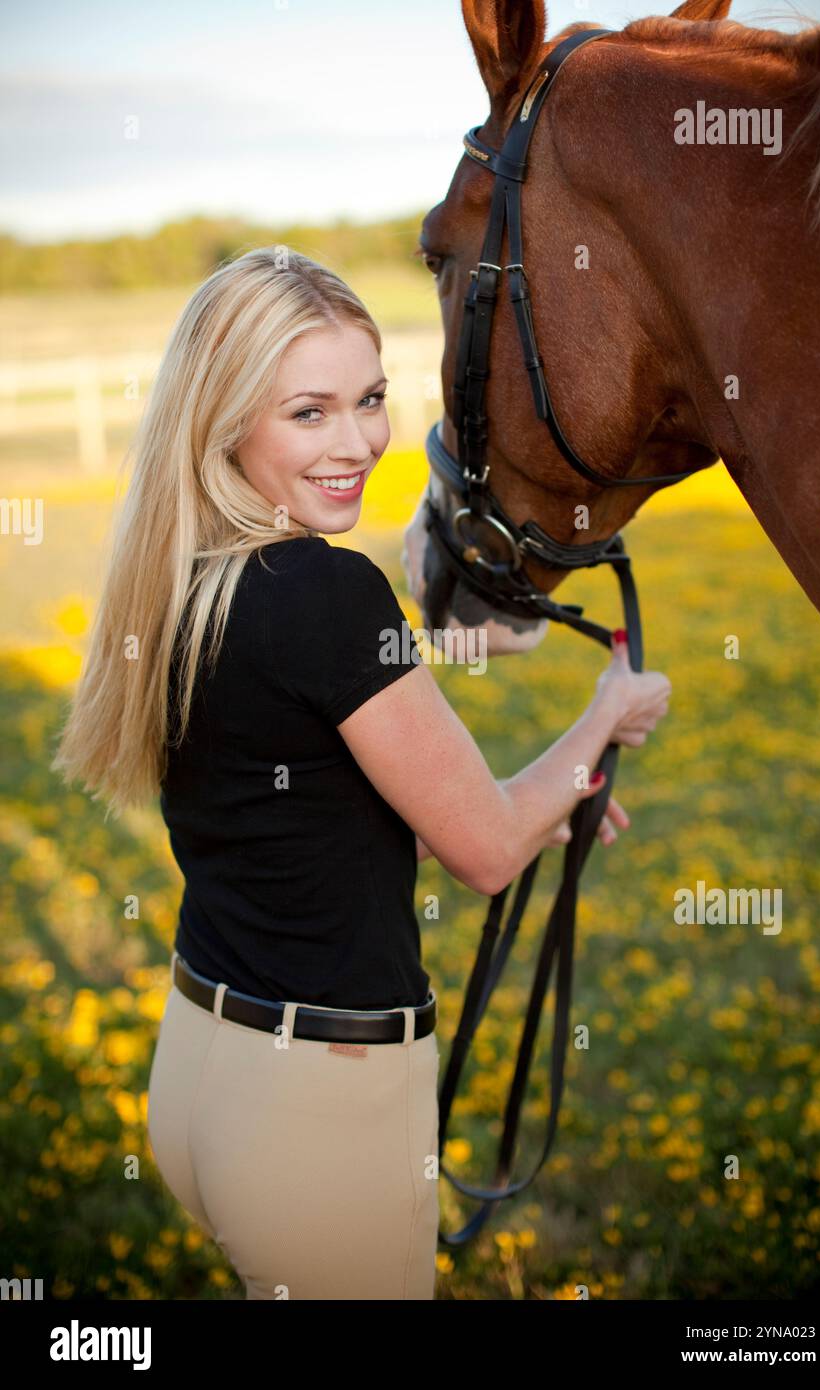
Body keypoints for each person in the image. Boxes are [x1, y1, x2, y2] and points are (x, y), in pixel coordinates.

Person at [50, 245, 671, 1301]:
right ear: (224, 420)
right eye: (309, 413)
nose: (359, 445)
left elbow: (327, 808)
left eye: (371, 400)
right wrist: (599, 723)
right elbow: (479, 850)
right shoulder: (328, 595)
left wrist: (543, 808)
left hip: (206, 1066)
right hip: (319, 1121)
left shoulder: (187, 582)